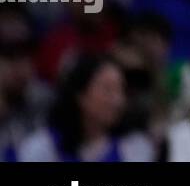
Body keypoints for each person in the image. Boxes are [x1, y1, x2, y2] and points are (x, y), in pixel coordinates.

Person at [16, 53, 154, 162]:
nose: (118, 101)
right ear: (80, 95)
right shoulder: (42, 148)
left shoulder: (136, 147)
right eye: (108, 90)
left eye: (121, 91)